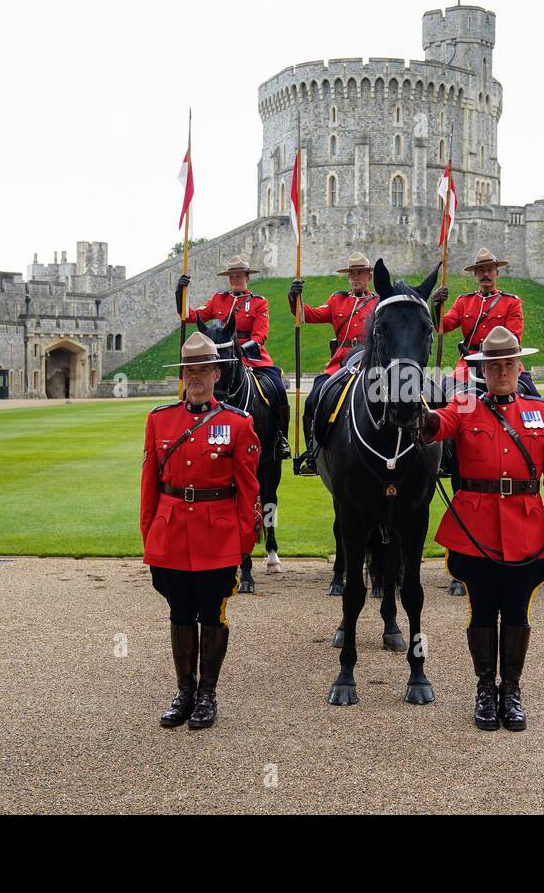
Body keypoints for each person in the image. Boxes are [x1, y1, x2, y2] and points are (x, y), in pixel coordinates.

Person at [416, 326, 544, 732]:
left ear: (520, 367)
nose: (502, 371)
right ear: (482, 370)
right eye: (494, 366)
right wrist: (421, 416)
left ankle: (512, 690)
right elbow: (441, 423)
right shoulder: (465, 405)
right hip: (476, 528)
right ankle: (485, 689)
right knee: (482, 610)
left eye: (508, 364)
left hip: (526, 527)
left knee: (518, 612)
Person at [140, 333, 261, 730]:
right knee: (179, 611)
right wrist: (150, 534)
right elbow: (149, 485)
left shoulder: (237, 423)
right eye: (189, 371)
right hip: (172, 532)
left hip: (218, 534)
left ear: (216, 374)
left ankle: (208, 693)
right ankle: (184, 692)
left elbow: (248, 489)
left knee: (212, 613)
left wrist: (243, 543)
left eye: (203, 370)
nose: (195, 377)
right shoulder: (160, 419)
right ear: (183, 376)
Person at [175, 254, 290, 459]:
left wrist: (241, 350)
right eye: (232, 276)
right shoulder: (219, 299)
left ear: (247, 277)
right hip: (218, 359)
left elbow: (260, 335)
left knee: (278, 388)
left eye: (239, 276)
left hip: (250, 356)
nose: (235, 279)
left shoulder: (258, 303)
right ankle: (186, 432)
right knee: (189, 392)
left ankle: (281, 438)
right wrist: (180, 295)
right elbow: (192, 316)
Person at [287, 251, 378, 474]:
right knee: (313, 399)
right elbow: (308, 315)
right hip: (342, 362)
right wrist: (295, 298)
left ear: (369, 276)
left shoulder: (378, 302)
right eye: (352, 274)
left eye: (360, 273)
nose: (356, 277)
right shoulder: (338, 300)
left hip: (371, 358)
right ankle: (313, 451)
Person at [429, 247, 540, 396]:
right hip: (469, 363)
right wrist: (435, 305)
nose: (485, 274)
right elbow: (442, 327)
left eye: (490, 270)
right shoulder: (463, 301)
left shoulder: (511, 302)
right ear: (475, 274)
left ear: (497, 273)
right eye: (481, 271)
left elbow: (514, 338)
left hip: (502, 360)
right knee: (443, 394)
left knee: (531, 395)